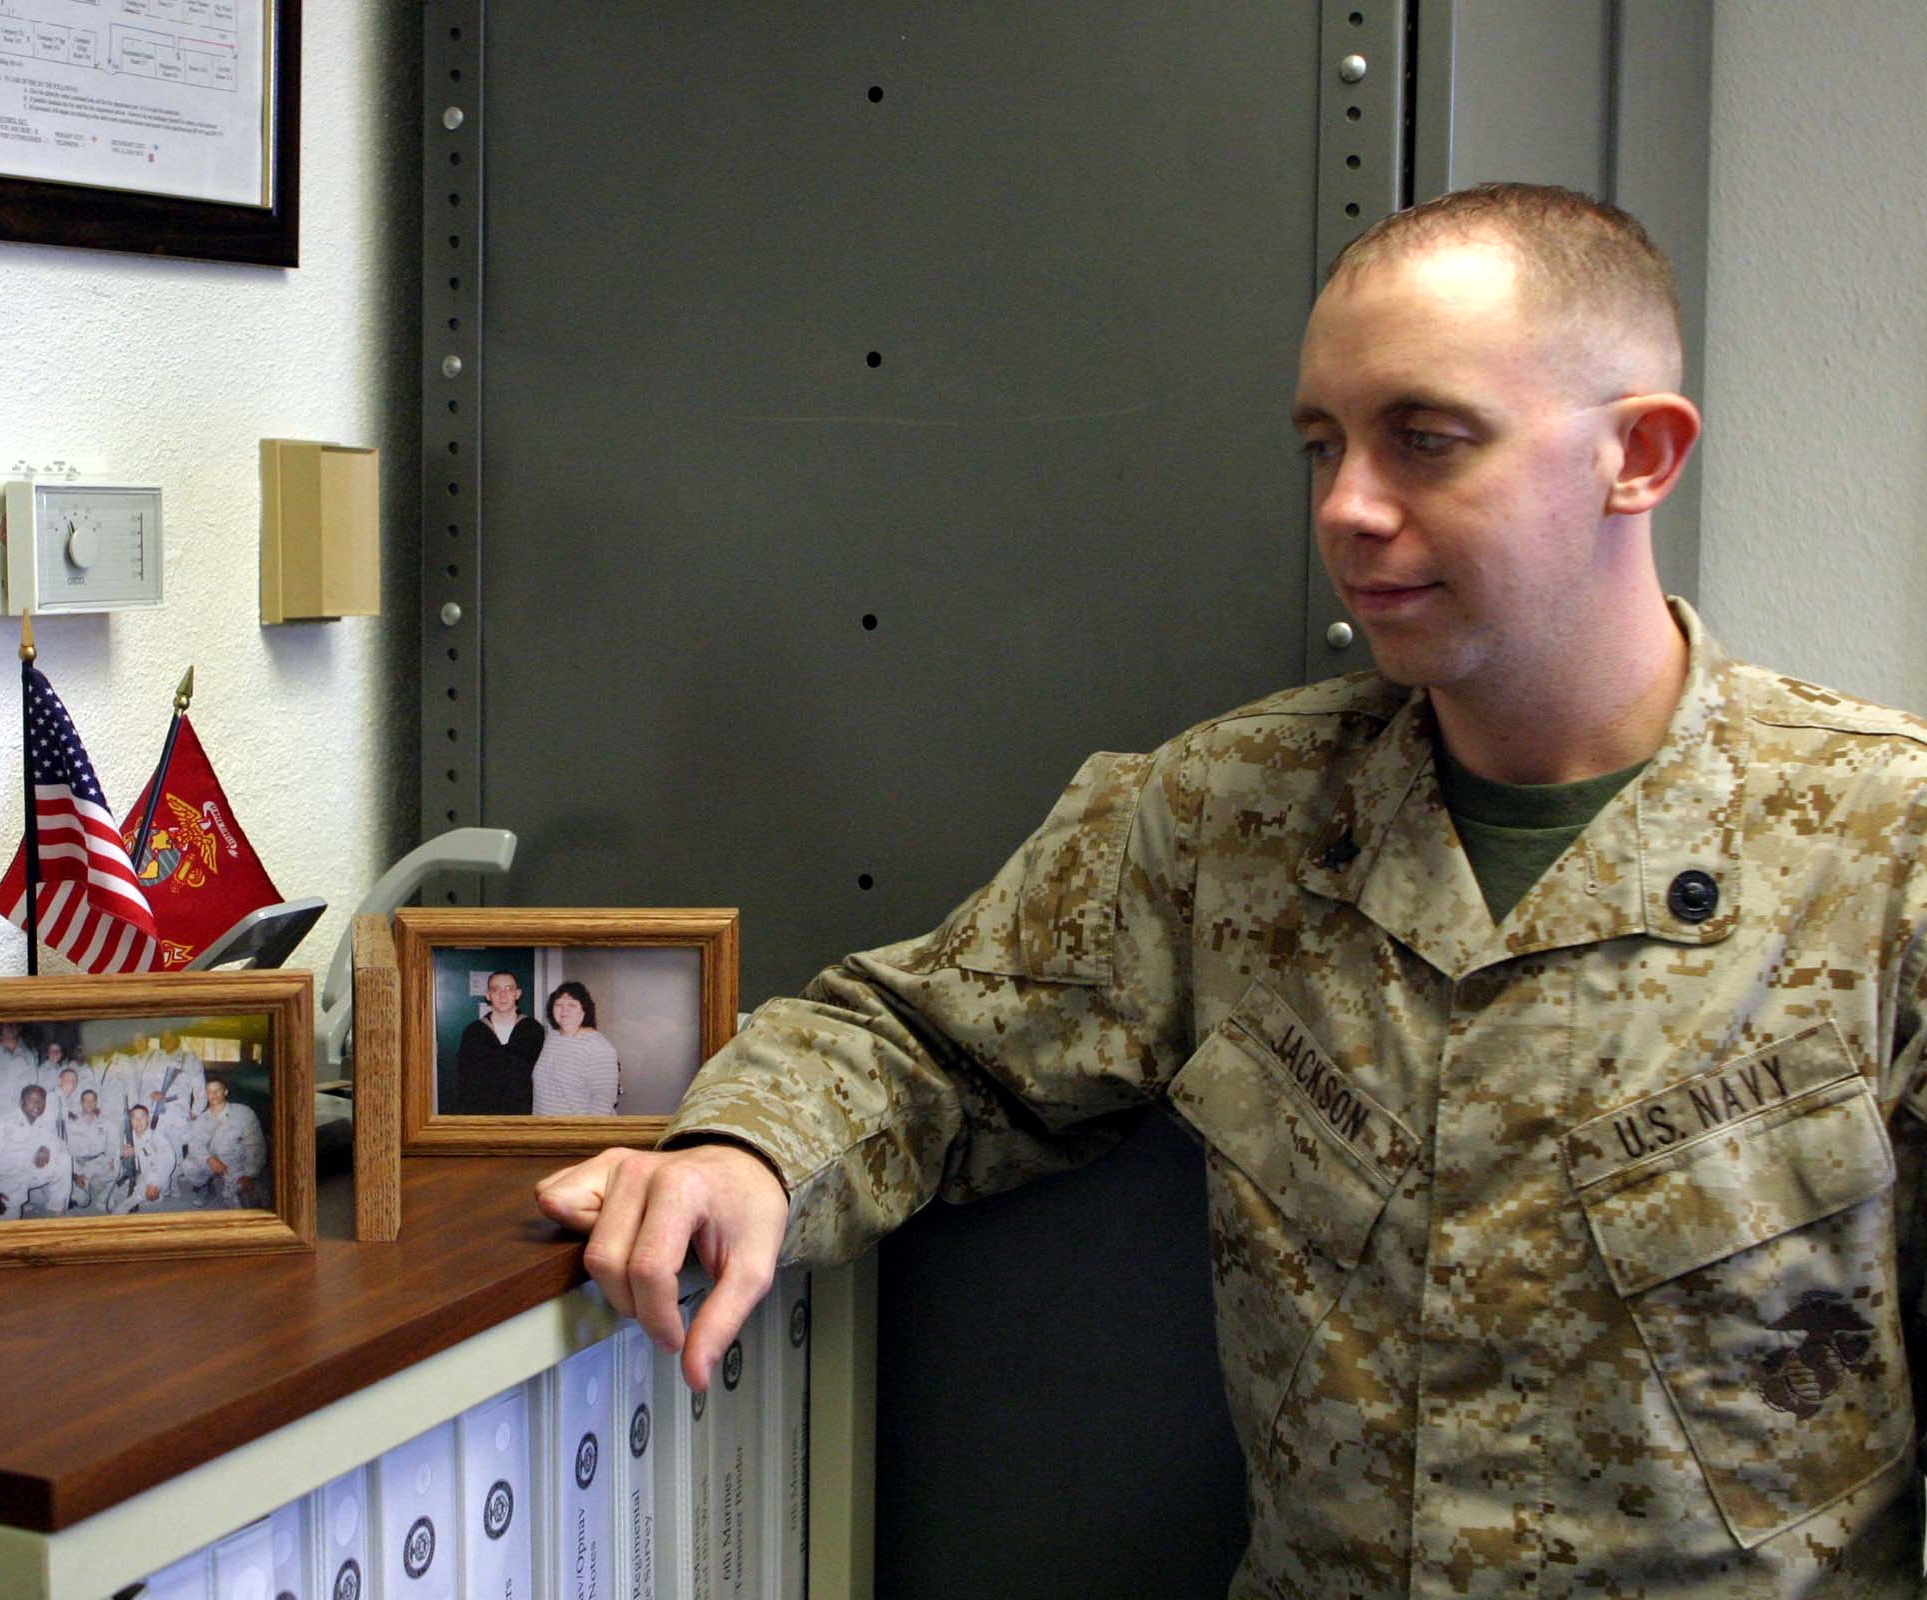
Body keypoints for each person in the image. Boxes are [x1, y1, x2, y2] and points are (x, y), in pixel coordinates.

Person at [534, 184, 1927, 1595]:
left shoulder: (1881, 848)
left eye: (1426, 441)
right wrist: (745, 1153)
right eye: (1323, 445)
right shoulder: (1235, 814)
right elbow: (921, 1042)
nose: (1349, 507)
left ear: (1639, 454)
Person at [0, 1085, 68, 1220]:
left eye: (41, 1100)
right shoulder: (3, 1125)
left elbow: (60, 1145)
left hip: (25, 1178)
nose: (37, 1104)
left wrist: (47, 1148)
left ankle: (57, 1210)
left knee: (64, 1160)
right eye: (32, 1100)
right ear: (21, 1102)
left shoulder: (41, 1125)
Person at [452, 969, 545, 1113]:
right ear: (488, 995)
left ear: (517, 993)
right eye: (496, 989)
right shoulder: (474, 1032)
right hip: (484, 1117)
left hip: (524, 1115)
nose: (503, 995)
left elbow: (544, 1078)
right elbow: (464, 1081)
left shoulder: (534, 1030)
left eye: (509, 988)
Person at [531, 980, 619, 1116]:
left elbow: (603, 1104)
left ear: (584, 1010)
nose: (564, 1010)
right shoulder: (552, 1038)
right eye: (558, 1004)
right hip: (542, 1130)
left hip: (575, 1133)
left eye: (572, 1005)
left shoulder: (599, 1047)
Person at [186, 1075, 268, 1209]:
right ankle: (206, 1187)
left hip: (236, 1163)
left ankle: (239, 1185)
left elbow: (256, 1145)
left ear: (225, 1091)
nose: (213, 1095)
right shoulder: (202, 1118)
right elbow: (195, 1144)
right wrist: (209, 1159)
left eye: (217, 1090)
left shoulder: (244, 1113)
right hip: (212, 1161)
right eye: (209, 1092)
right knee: (189, 1166)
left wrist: (249, 1174)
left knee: (241, 1205)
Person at [111, 1101, 177, 1214]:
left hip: (154, 1179)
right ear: (130, 1122)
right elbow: (117, 1170)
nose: (138, 1121)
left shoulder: (156, 1136)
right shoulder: (126, 1138)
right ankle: (135, 1198)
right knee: (108, 1201)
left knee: (121, 1208)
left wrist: (154, 1182)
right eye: (134, 1118)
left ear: (148, 1119)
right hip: (134, 1178)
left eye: (142, 1116)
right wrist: (123, 1157)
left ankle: (128, 1205)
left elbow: (168, 1158)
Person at [63, 1086, 119, 1213]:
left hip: (98, 1161)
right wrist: (74, 1174)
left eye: (92, 1100)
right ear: (81, 1102)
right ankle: (87, 1184)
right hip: (79, 1164)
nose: (89, 1103)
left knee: (118, 1173)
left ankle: (102, 1192)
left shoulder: (105, 1122)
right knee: (82, 1201)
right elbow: (65, 1149)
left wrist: (110, 1159)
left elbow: (113, 1143)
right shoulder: (70, 1121)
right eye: (86, 1100)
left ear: (96, 1102)